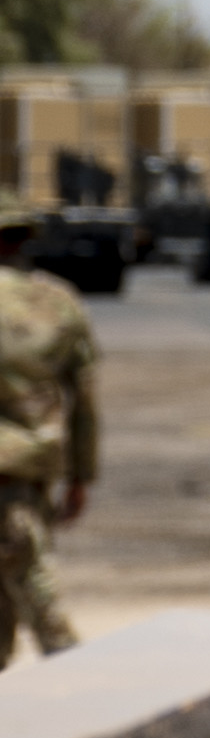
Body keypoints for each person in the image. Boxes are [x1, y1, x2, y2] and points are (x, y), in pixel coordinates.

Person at [0, 195, 96, 666]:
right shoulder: (58, 303)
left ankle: (80, 691)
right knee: (28, 580)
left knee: (30, 591)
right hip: (27, 470)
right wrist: (82, 475)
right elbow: (85, 403)